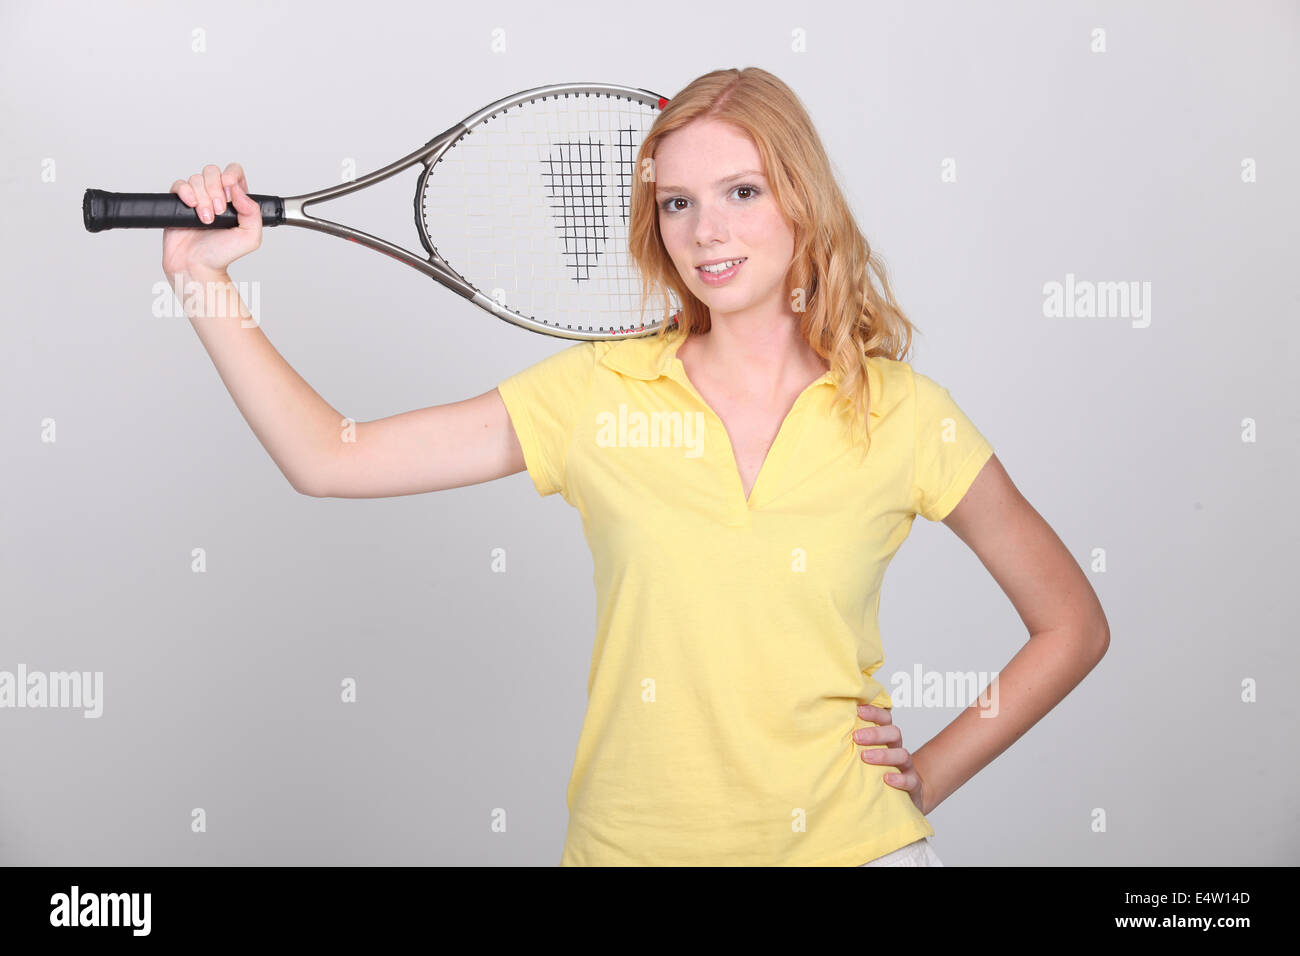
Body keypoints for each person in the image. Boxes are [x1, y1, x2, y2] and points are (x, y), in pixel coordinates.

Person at [162, 67, 1110, 867]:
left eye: (743, 192)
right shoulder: (596, 391)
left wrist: (927, 775)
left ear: (802, 200)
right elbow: (329, 458)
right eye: (677, 203)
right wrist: (203, 283)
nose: (707, 232)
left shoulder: (903, 413)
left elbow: (1070, 624)